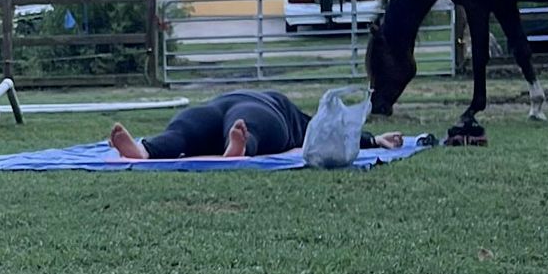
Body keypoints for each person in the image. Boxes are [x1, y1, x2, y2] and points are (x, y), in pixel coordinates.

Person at [108, 89, 403, 160]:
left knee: (182, 132)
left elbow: (326, 132)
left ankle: (145, 150)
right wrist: (373, 140)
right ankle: (239, 146)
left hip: (215, 107)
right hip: (253, 110)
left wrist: (373, 140)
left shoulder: (285, 112)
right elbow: (327, 132)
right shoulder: (295, 116)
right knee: (244, 126)